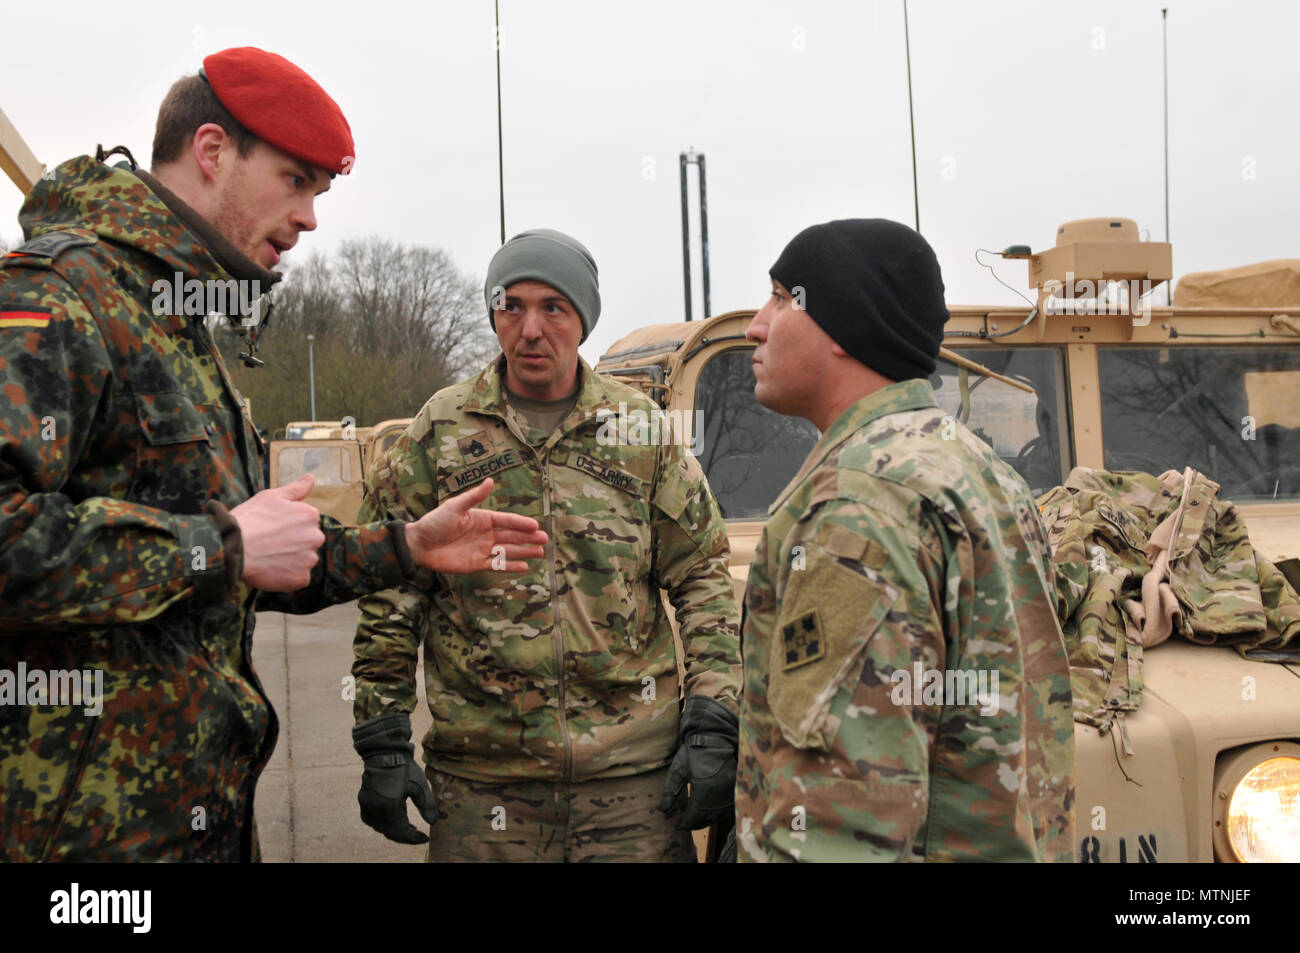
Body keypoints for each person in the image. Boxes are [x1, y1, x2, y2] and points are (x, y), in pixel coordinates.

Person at [0, 47, 545, 862]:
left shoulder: (178, 322)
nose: (311, 219)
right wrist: (219, 546)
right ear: (212, 152)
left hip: (196, 825)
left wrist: (407, 547)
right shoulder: (57, 295)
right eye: (296, 182)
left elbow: (255, 559)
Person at [351, 229, 742, 862]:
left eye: (553, 307)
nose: (530, 328)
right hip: (485, 788)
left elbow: (701, 578)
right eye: (511, 306)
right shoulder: (439, 435)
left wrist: (714, 715)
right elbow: (393, 587)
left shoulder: (641, 431)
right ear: (494, 315)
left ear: (583, 320)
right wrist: (383, 733)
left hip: (632, 788)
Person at [733, 218, 1075, 862]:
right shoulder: (981, 470)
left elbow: (843, 826)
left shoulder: (857, 504)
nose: (757, 324)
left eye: (781, 298)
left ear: (843, 327)